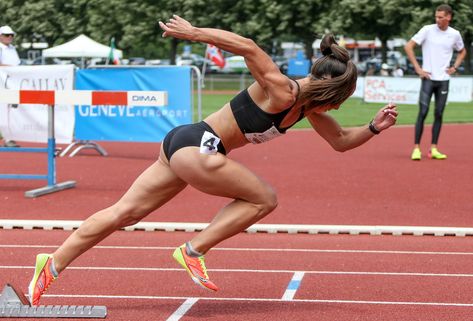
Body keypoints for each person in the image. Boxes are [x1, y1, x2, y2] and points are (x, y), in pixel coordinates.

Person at [27, 15, 398, 306]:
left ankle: (52, 264)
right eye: (340, 100)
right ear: (331, 91)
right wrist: (193, 33)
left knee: (125, 212)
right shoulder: (284, 90)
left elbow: (341, 141)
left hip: (182, 144)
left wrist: (374, 127)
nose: (337, 108)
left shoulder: (307, 110)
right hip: (199, 147)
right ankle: (193, 250)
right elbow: (248, 47)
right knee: (264, 198)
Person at [404, 4, 466, 160]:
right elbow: (408, 46)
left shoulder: (455, 34)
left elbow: (462, 51)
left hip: (444, 80)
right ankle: (416, 148)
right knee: (423, 113)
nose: (437, 20)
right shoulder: (427, 30)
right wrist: (418, 68)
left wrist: (455, 67)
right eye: (436, 17)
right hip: (428, 79)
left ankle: (434, 149)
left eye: (440, 17)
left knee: (439, 113)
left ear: (449, 17)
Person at [0, 25, 21, 148]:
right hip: (2, 83)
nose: (10, 37)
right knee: (4, 111)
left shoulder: (12, 48)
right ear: (0, 36)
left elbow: (18, 64)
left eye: (12, 35)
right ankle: (8, 139)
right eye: (7, 35)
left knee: (11, 111)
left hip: (12, 83)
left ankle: (9, 138)